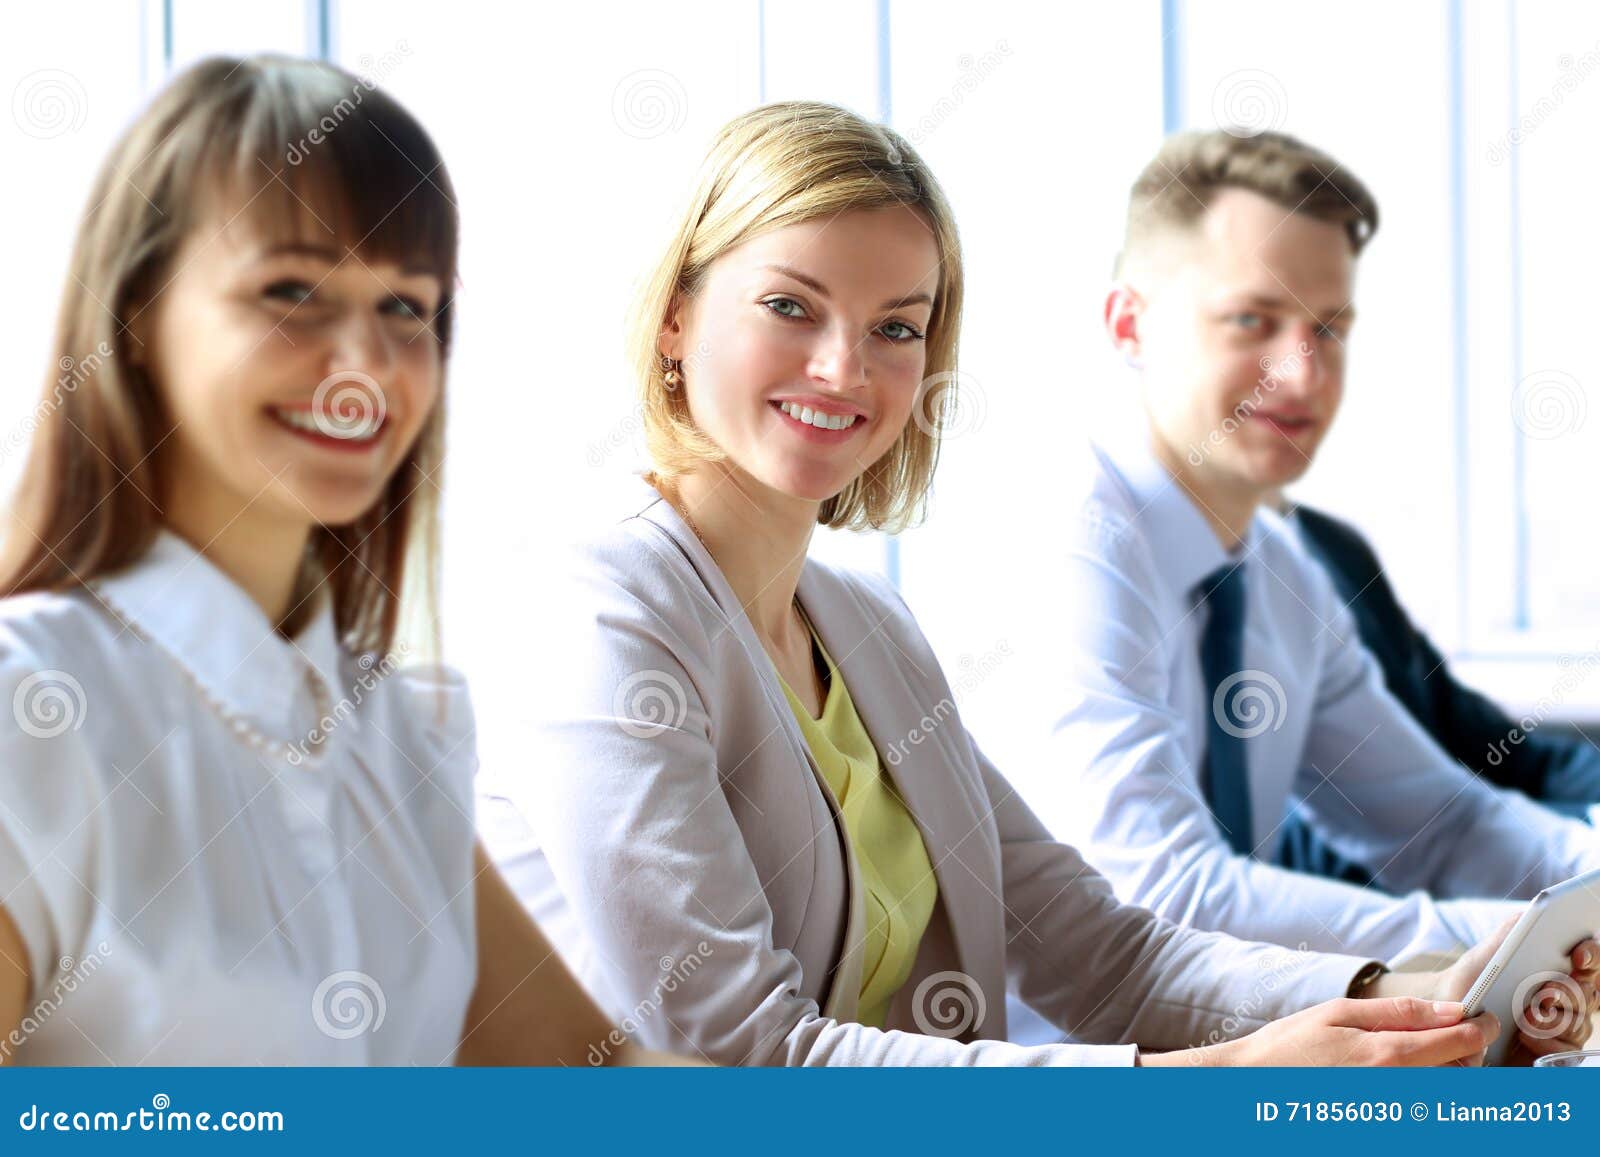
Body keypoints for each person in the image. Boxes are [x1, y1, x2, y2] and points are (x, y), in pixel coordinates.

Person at [479, 101, 1596, 1066]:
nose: (843, 367)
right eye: (788, 306)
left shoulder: (862, 622)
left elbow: (1098, 947)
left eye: (895, 328)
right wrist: (1202, 1079)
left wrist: (1406, 1000)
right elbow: (742, 1059)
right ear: (676, 313)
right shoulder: (603, 612)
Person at [0, 55, 676, 1067]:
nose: (364, 367)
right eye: (291, 291)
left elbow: (596, 1072)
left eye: (406, 305)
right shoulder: (34, 709)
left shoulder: (394, 736)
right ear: (136, 315)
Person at [1022, 127, 1600, 977]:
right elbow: (1164, 898)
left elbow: (1442, 826)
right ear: (1129, 324)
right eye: (1252, 319)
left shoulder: (1280, 573)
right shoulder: (1074, 547)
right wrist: (1520, 941)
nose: (1301, 375)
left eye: (1328, 328)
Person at [1268, 495, 1600, 886]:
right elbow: (1334, 841)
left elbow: (1511, 756)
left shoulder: (1329, 541)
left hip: (1484, 846)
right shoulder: (1227, 578)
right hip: (1378, 905)